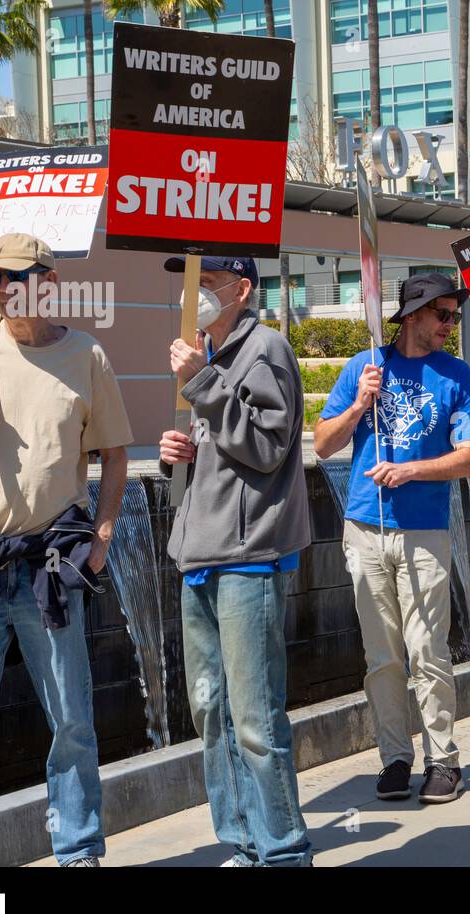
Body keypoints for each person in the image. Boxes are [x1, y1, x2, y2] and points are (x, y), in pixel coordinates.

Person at [0, 233, 133, 866]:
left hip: (50, 567)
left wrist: (103, 533)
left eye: (16, 278)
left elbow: (115, 455)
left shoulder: (86, 354)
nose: (4, 291)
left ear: (48, 281)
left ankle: (79, 850)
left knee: (71, 720)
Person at [157, 255, 313, 867]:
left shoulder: (265, 348)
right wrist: (180, 451)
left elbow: (269, 447)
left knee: (254, 716)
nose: (195, 293)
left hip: (248, 556)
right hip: (198, 551)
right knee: (210, 709)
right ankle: (243, 842)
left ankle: (283, 850)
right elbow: (221, 447)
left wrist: (202, 385)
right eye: (190, 280)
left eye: (209, 282)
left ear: (241, 289)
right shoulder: (201, 353)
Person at [315, 273, 470, 804]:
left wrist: (411, 471)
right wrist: (360, 404)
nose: (450, 325)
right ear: (413, 315)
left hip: (424, 532)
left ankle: (443, 759)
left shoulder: (457, 374)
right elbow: (323, 444)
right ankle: (394, 757)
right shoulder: (362, 368)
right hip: (365, 529)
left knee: (427, 649)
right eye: (444, 316)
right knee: (382, 657)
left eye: (455, 316)